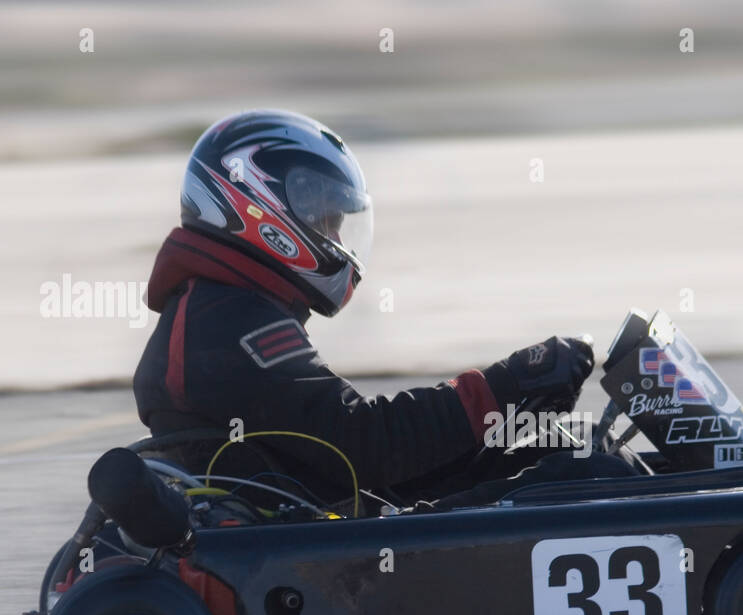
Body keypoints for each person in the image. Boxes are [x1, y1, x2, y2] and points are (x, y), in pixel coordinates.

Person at [133, 109, 634, 511]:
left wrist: (506, 409)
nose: (333, 237)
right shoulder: (228, 322)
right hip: (334, 551)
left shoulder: (220, 308)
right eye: (324, 218)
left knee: (561, 442)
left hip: (326, 511)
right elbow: (366, 445)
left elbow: (343, 446)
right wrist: (505, 385)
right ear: (256, 202)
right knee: (595, 477)